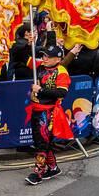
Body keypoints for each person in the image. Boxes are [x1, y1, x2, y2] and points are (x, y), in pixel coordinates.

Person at [25, 44, 70, 186]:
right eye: (43, 55)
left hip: (48, 112)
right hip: (36, 109)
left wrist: (41, 90)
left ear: (57, 59)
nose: (44, 59)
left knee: (42, 143)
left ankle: (38, 172)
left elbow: (62, 92)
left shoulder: (61, 71)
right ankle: (53, 167)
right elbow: (25, 58)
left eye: (48, 57)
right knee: (43, 141)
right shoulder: (40, 66)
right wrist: (28, 43)